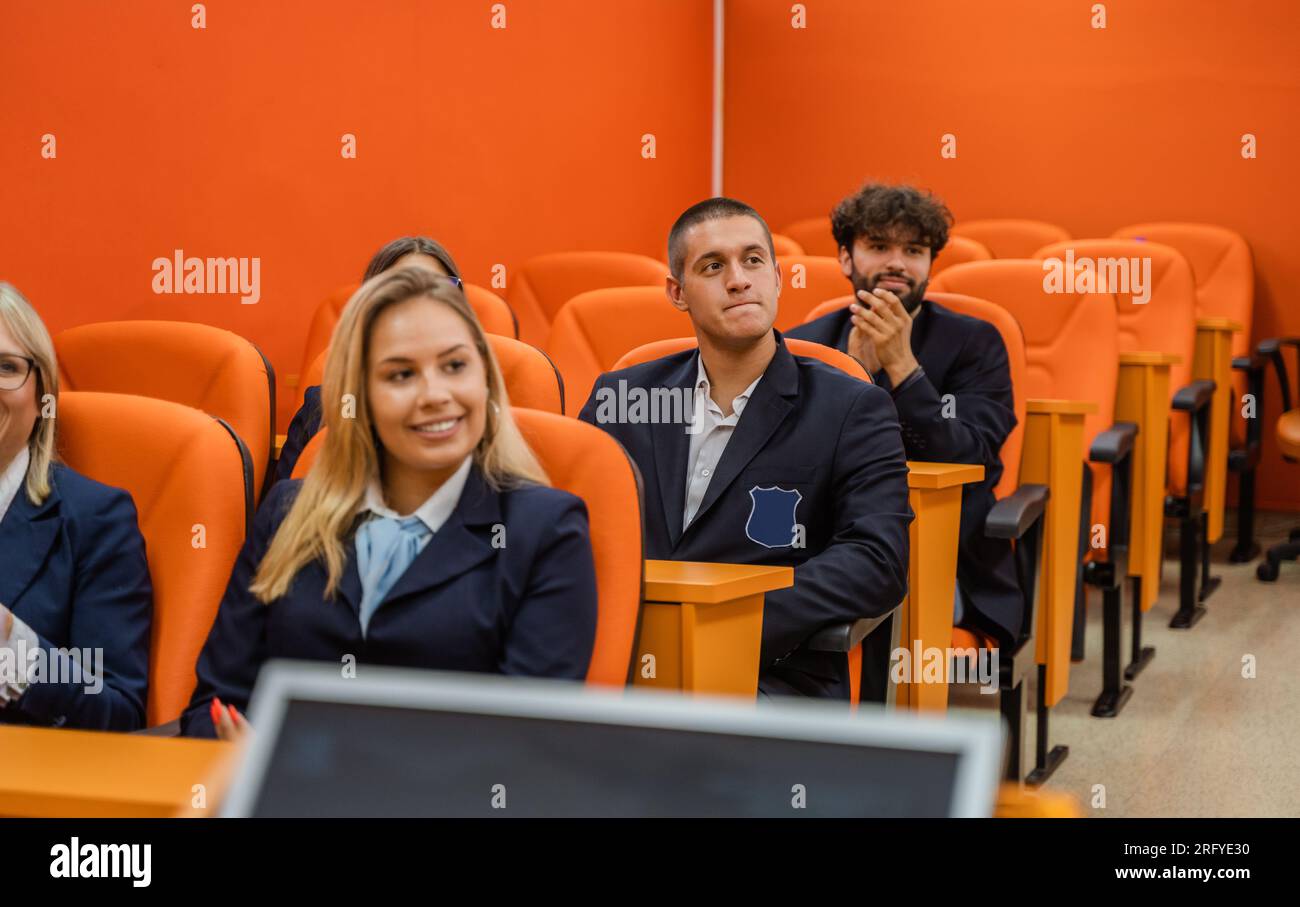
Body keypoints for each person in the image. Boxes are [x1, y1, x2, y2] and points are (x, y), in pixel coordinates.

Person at [182, 267, 598, 739]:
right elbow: (212, 706)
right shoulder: (286, 514)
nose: (435, 395)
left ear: (485, 380)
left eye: (455, 366)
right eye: (401, 375)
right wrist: (234, 747)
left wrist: (309, 772)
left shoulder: (546, 530)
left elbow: (526, 743)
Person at [579, 198, 911, 701]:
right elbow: (569, 528)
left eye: (753, 261)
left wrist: (729, 622)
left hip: (766, 675)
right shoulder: (622, 398)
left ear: (777, 278)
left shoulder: (852, 407)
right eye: (713, 266)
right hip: (621, 668)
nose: (738, 280)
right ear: (677, 292)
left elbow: (876, 560)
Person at [787, 183, 1022, 648]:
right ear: (845, 258)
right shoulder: (803, 344)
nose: (897, 262)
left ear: (930, 264)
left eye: (913, 250)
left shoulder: (977, 342)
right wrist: (855, 376)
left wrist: (902, 366)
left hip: (941, 552)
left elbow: (972, 461)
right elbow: (788, 458)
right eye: (878, 246)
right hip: (823, 546)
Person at [0, 282, 152, 730]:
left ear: (42, 392)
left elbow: (117, 711)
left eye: (6, 367)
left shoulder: (96, 520)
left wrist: (12, 642)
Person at [275, 236, 465, 485]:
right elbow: (285, 516)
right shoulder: (323, 408)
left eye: (437, 288)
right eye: (399, 290)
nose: (420, 305)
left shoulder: (479, 405)